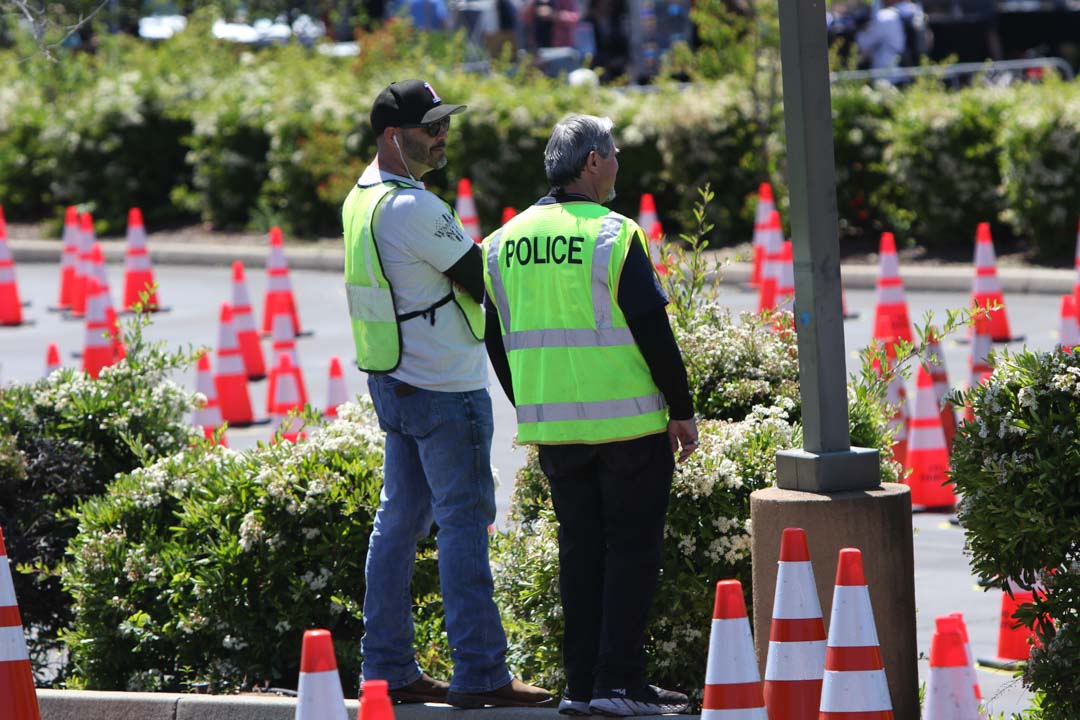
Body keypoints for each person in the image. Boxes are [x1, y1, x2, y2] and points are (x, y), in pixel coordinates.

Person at [342, 79, 555, 710]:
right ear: (392, 136)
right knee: (464, 526)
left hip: (396, 380)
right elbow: (480, 275)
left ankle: (385, 670)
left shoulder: (363, 196)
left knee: (398, 524)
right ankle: (483, 673)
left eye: (445, 124)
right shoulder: (414, 208)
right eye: (430, 127)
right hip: (446, 390)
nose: (442, 136)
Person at [481, 114, 699, 717]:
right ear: (593, 162)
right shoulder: (612, 234)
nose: (620, 163)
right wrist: (681, 409)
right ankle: (620, 684)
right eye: (616, 153)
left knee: (579, 553)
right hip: (628, 426)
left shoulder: (502, 242)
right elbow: (652, 329)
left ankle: (583, 685)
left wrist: (532, 401)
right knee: (631, 551)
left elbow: (496, 340)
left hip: (557, 431)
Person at [854, 0, 906, 71]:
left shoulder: (885, 16)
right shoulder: (907, 10)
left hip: (888, 71)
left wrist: (858, 32)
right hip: (903, 66)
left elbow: (865, 42)